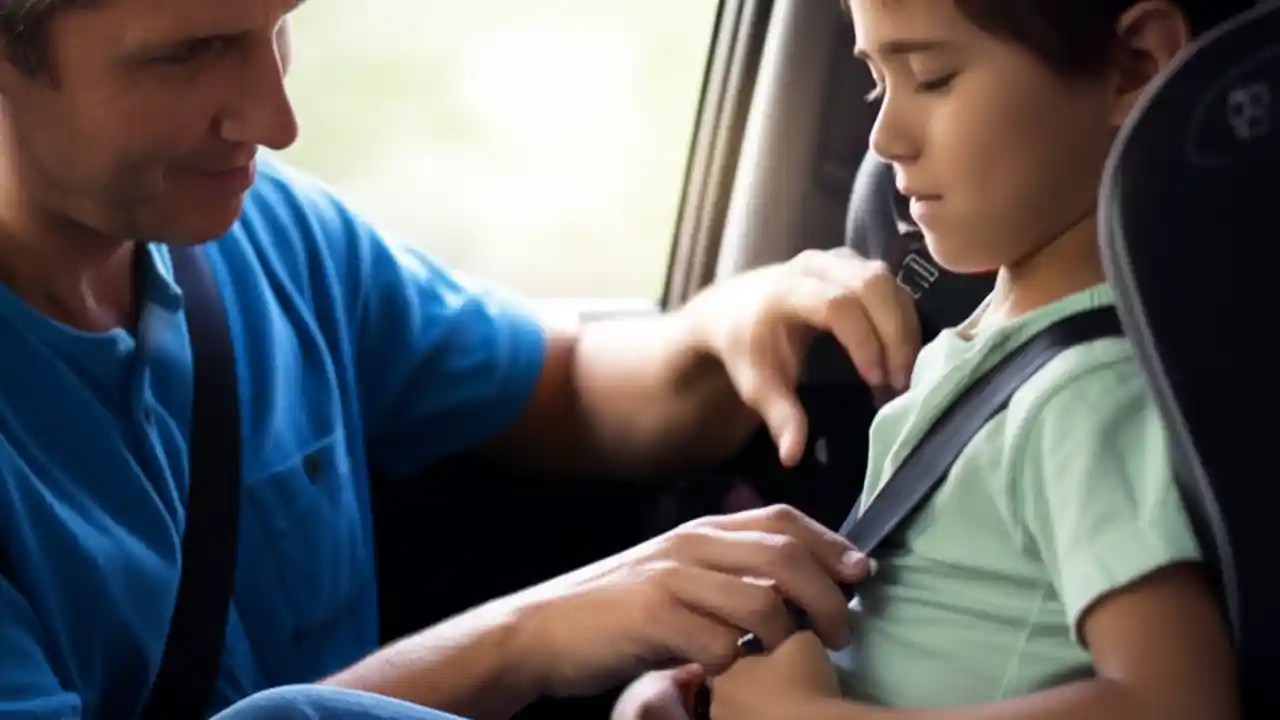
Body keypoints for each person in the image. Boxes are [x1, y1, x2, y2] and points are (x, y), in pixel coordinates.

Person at [0, 0, 934, 718]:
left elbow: (565, 392)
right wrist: (523, 642)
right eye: (191, 52)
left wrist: (723, 325)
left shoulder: (271, 233)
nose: (277, 117)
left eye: (279, 28)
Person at [618, 0, 1248, 718]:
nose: (884, 137)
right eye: (875, 83)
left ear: (1134, 68)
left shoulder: (1085, 392)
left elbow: (1177, 702)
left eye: (932, 76)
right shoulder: (975, 344)